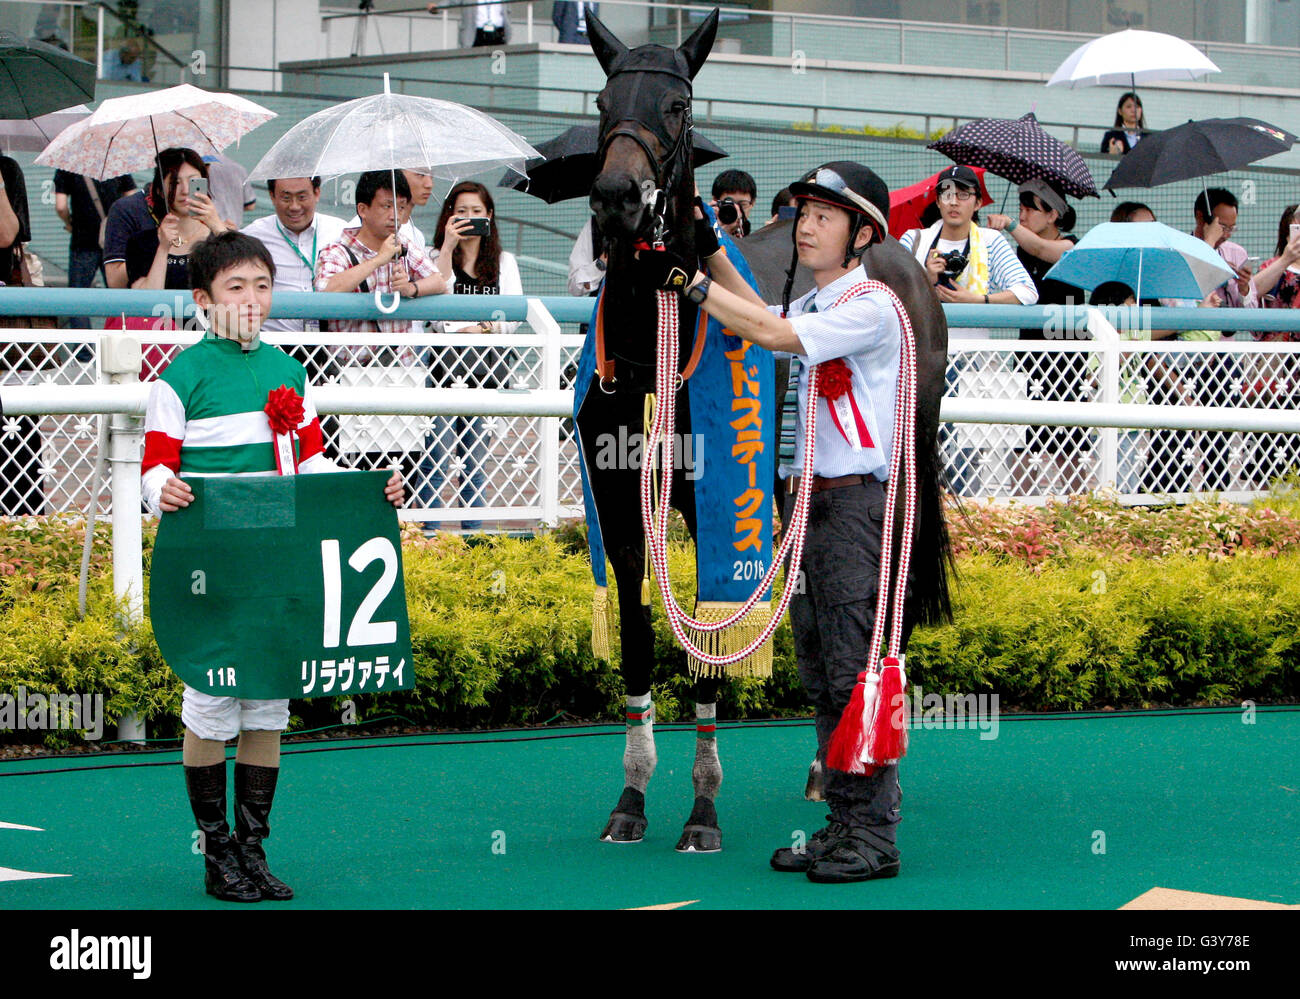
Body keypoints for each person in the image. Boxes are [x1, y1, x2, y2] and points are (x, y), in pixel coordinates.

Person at [638, 161, 914, 884]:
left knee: (853, 671)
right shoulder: (823, 303)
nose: (808, 224)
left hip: (852, 504)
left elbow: (767, 331)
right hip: (815, 502)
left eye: (826, 214)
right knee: (822, 670)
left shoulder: (873, 304)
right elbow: (764, 311)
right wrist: (706, 247)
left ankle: (873, 834)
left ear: (862, 233)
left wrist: (694, 284)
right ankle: (844, 821)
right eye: (805, 212)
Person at [141, 231, 404, 902]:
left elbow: (312, 467)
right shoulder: (180, 376)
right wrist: (159, 488)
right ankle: (215, 852)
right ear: (202, 300)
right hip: (210, 565)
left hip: (278, 561)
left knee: (269, 701)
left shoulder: (290, 370)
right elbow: (155, 468)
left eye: (262, 285)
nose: (253, 300)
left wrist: (370, 488)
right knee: (208, 701)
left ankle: (252, 850)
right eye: (236, 288)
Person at [899, 164, 1038, 495]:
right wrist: (925, 277)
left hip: (971, 361)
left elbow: (1026, 292)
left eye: (963, 194)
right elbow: (890, 294)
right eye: (946, 193)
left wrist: (978, 300)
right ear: (937, 200)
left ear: (977, 203)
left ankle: (962, 505)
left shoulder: (991, 242)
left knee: (964, 449)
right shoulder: (914, 240)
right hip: (919, 359)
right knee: (918, 443)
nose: (954, 202)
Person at [316, 170, 445, 485]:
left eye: (402, 207)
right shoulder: (336, 250)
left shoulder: (404, 247)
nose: (395, 216)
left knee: (401, 476)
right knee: (349, 475)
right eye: (387, 206)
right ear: (363, 209)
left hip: (397, 377)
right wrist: (378, 260)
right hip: (348, 378)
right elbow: (327, 290)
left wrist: (411, 289)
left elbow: (439, 280)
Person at [420, 180, 523, 532]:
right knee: (436, 453)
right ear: (448, 216)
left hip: (486, 371)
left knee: (474, 456)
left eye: (476, 212)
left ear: (489, 216)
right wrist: (447, 247)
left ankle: (472, 535)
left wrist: (478, 329)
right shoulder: (435, 257)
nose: (469, 218)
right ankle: (428, 532)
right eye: (461, 211)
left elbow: (514, 316)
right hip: (442, 369)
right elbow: (433, 309)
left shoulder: (504, 262)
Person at [987, 178, 1086, 496]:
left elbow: (1043, 249)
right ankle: (1020, 506)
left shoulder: (1072, 245)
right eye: (1020, 208)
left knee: (1068, 441)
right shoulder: (1018, 249)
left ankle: (1079, 505)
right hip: (1029, 352)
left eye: (1031, 209)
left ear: (1053, 215)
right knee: (1022, 437)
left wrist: (1011, 224)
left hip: (1067, 357)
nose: (1024, 214)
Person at [241, 176, 347, 332]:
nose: (294, 206)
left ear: (317, 193)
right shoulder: (254, 235)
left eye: (302, 197)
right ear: (272, 196)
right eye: (286, 198)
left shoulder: (340, 232)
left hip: (330, 344)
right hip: (275, 342)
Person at [1241, 207, 1300, 487]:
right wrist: (1287, 258)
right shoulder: (1275, 266)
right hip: (1277, 370)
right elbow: (1254, 292)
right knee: (1271, 448)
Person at [125, 148, 232, 292]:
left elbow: (241, 279)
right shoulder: (141, 243)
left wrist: (218, 227)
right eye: (175, 182)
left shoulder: (223, 236)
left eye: (193, 181)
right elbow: (146, 300)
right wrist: (163, 248)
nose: (185, 190)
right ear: (159, 191)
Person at [54, 170, 137, 326]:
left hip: (83, 240)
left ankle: (84, 349)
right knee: (121, 296)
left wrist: (69, 223)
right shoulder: (117, 163)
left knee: (77, 299)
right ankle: (122, 336)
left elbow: (61, 206)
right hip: (114, 242)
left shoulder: (69, 166)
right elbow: (131, 196)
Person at [202, 154, 257, 228]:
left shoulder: (198, 171)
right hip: (234, 229)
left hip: (209, 229)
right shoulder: (238, 168)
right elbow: (250, 206)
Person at [426, 1, 511, 47]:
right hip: (475, 33)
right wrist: (437, 7)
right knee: (476, 67)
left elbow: (508, 10)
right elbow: (450, 1)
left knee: (498, 68)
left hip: (499, 33)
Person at [710, 169, 757, 239]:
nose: (737, 210)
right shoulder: (704, 234)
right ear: (715, 201)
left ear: (752, 203)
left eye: (742, 204)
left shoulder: (757, 241)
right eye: (730, 205)